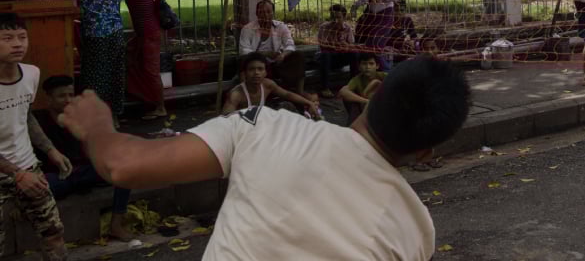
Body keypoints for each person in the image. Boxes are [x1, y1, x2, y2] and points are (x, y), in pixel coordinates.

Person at [57, 54, 471, 260]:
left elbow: (124, 166)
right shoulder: (416, 232)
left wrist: (97, 126)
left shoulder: (262, 126)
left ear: (373, 94)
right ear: (426, 151)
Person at [0, 13, 70, 260]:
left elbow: (26, 116)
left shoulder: (31, 73)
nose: (17, 44)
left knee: (53, 234)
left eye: (22, 37)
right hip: (13, 172)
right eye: (7, 38)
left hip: (30, 168)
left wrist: (50, 150)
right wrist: (17, 175)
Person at [34, 76, 133, 241]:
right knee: (36, 189)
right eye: (61, 96)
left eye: (71, 95)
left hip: (83, 172)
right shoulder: (37, 121)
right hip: (55, 176)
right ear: (49, 99)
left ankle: (116, 225)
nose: (67, 100)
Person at [101, 0, 167, 120]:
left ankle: (160, 107)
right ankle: (141, 94)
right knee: (128, 57)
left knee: (152, 72)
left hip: (149, 35)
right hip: (144, 34)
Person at [69, 0, 126, 120]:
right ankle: (114, 114)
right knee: (115, 72)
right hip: (116, 33)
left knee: (95, 73)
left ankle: (96, 115)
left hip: (96, 35)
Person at [221, 53, 320, 119]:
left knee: (286, 106)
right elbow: (226, 120)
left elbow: (287, 94)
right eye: (251, 69)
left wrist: (309, 103)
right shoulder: (236, 94)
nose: (256, 73)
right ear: (245, 73)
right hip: (245, 129)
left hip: (263, 123)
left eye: (260, 69)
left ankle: (304, 122)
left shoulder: (267, 84)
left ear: (265, 72)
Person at [238, 0, 306, 95]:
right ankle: (248, 94)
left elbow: (290, 44)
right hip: (257, 64)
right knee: (243, 60)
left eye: (268, 12)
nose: (265, 15)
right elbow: (244, 51)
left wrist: (283, 55)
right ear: (257, 14)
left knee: (298, 55)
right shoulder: (248, 29)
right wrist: (265, 54)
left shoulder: (280, 26)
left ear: (273, 13)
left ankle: (300, 92)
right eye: (261, 12)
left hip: (276, 62)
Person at [351, 0, 400, 71]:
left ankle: (388, 74)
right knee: (368, 48)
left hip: (385, 14)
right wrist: (356, 5)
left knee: (376, 47)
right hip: (371, 16)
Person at [315, 4, 356, 98]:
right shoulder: (324, 27)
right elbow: (323, 46)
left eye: (338, 17)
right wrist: (338, 44)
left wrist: (347, 46)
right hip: (324, 58)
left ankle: (353, 84)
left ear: (344, 17)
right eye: (333, 17)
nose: (335, 20)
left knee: (354, 53)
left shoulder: (347, 28)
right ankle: (325, 88)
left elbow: (351, 45)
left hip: (339, 56)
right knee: (326, 54)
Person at [338, 55, 387, 123]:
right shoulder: (357, 79)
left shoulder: (384, 76)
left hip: (382, 108)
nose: (367, 67)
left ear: (377, 66)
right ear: (359, 67)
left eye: (371, 63)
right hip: (364, 108)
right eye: (364, 64)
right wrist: (366, 101)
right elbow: (343, 92)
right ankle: (355, 125)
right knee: (350, 101)